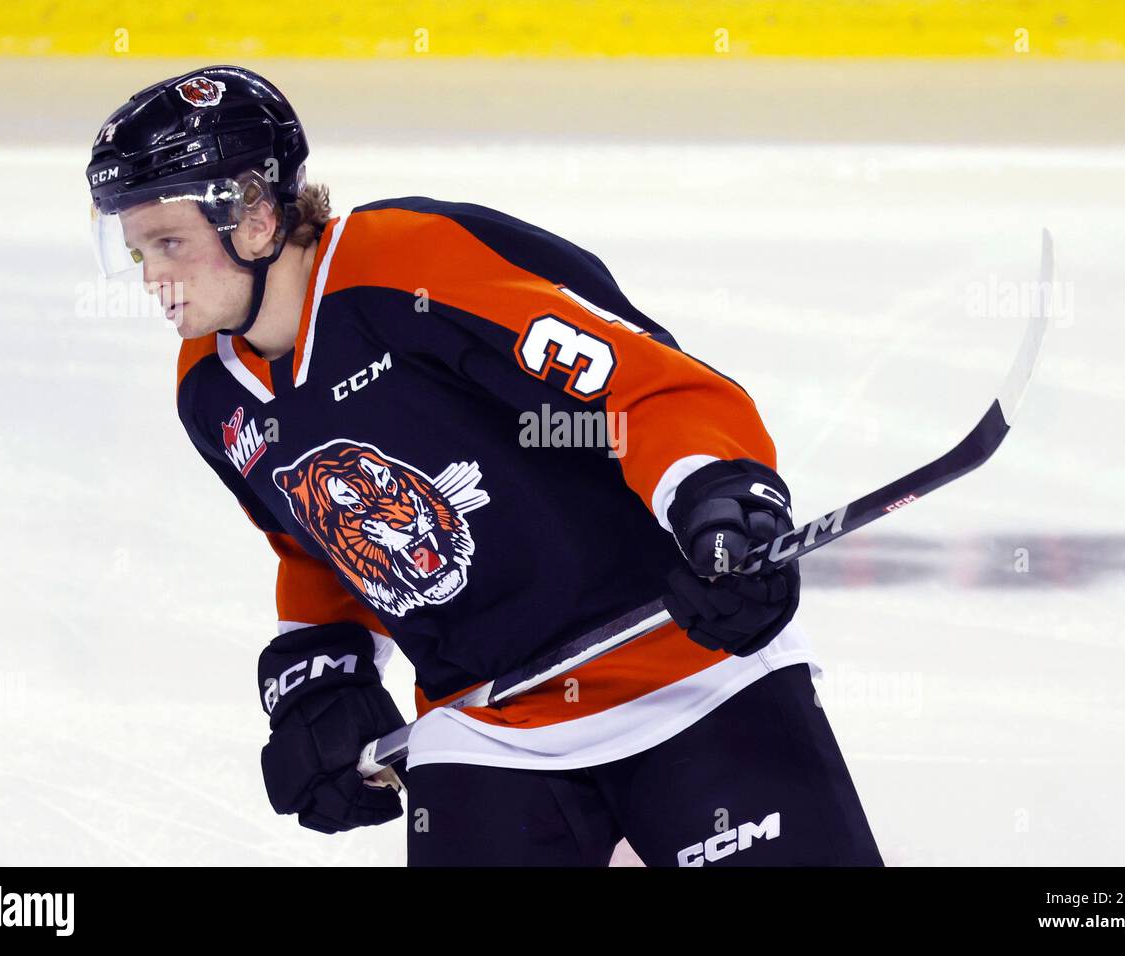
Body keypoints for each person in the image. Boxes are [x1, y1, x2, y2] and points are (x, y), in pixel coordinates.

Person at [85, 64, 883, 866]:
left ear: (254, 218)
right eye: (137, 250)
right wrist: (321, 672)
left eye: (170, 244)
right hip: (482, 728)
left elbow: (643, 385)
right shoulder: (209, 390)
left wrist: (720, 500)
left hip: (684, 667)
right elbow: (312, 542)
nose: (152, 277)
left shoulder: (409, 267)